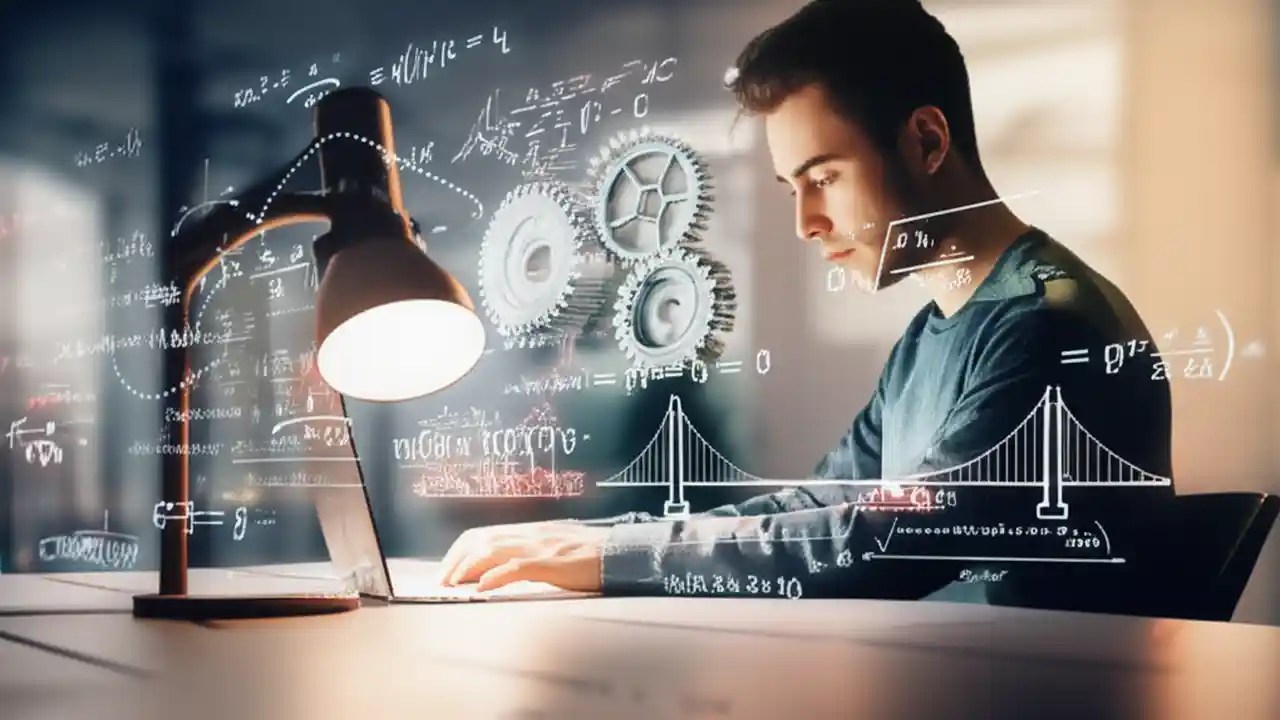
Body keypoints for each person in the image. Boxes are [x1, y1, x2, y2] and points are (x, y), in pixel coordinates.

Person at [438, 0, 1176, 611]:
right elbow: (815, 505)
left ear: (926, 140)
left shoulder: (1048, 330)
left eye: (823, 176)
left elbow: (882, 545)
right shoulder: (936, 333)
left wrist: (608, 555)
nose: (805, 224)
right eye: (794, 188)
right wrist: (598, 540)